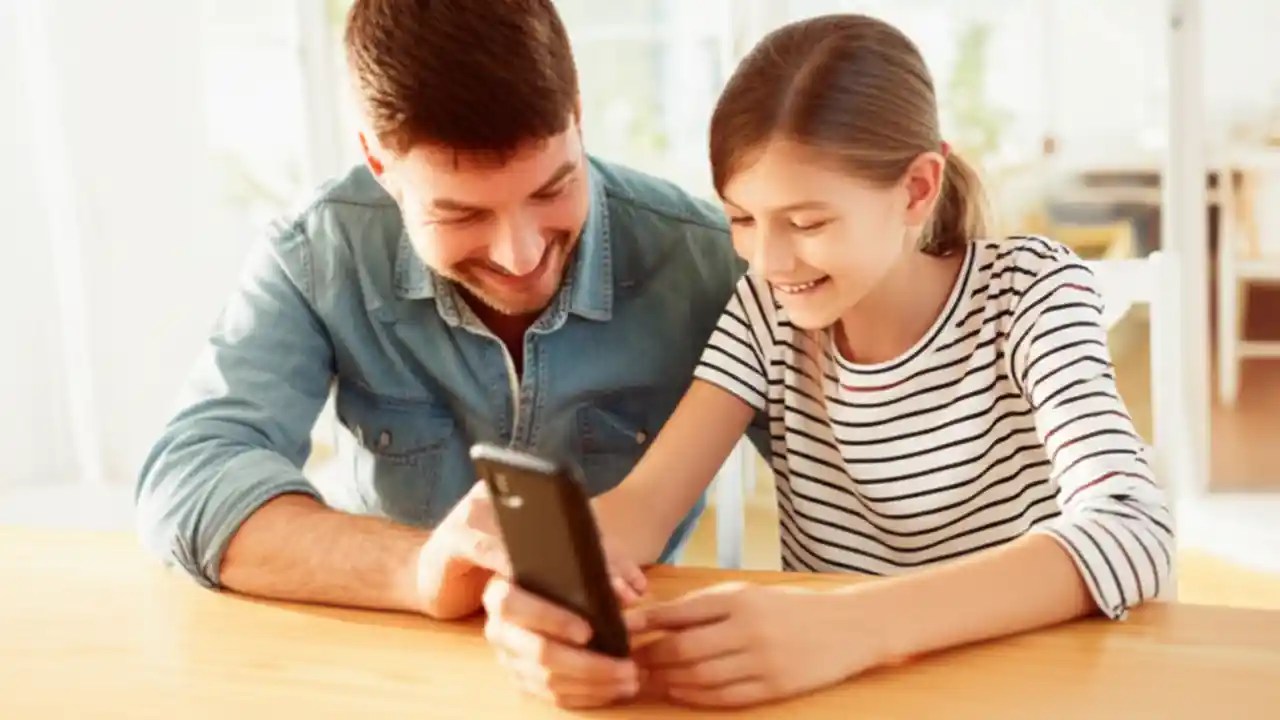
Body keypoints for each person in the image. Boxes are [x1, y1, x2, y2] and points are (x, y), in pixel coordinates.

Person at [481, 13, 1174, 709]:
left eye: (807, 223)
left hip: (1025, 689)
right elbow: (644, 506)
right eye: (742, 220)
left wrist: (855, 626)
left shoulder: (1028, 293)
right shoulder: (766, 313)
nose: (768, 261)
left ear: (917, 189)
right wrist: (539, 594)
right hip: (841, 697)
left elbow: (1131, 528)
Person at [134, 0, 749, 621]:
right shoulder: (321, 251)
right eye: (462, 215)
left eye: (553, 189)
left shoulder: (707, 260)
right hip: (392, 650)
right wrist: (419, 569)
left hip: (615, 644)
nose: (521, 256)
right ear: (378, 162)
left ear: (578, 116)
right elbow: (189, 480)